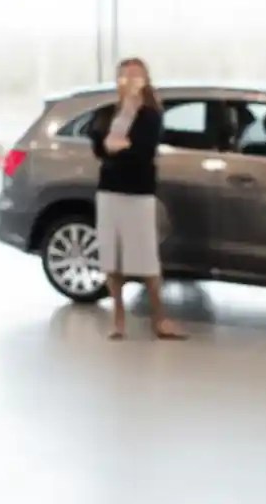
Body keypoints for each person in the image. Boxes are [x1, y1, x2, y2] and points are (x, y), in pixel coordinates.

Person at [89, 57, 187, 341]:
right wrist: (114, 147)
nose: (130, 81)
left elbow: (141, 151)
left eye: (136, 75)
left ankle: (160, 320)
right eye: (125, 75)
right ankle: (118, 318)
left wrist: (114, 147)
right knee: (111, 257)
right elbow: (99, 147)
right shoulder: (107, 113)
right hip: (109, 193)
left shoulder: (150, 115)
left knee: (146, 260)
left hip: (139, 193)